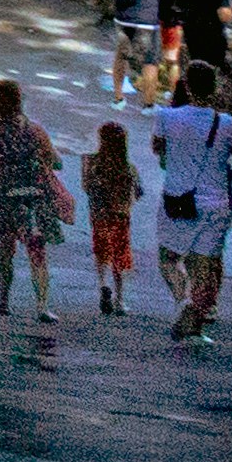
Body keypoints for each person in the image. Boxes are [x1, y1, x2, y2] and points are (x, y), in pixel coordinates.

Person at [150, 66, 232, 339]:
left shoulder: (165, 116)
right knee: (204, 268)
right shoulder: (226, 123)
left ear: (186, 85)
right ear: (214, 89)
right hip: (217, 204)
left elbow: (157, 148)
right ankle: (197, 323)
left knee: (168, 259)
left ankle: (184, 302)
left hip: (178, 200)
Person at [0, 77, 68, 319]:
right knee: (37, 252)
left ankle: (3, 302)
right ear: (19, 101)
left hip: (2, 198)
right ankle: (42, 307)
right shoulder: (35, 131)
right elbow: (57, 162)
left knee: (5, 252)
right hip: (31, 199)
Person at [83, 118, 144, 315]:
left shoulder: (91, 162)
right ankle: (119, 300)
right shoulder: (128, 167)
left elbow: (86, 187)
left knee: (101, 252)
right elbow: (139, 192)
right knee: (120, 255)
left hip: (99, 215)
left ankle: (103, 283)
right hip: (120, 216)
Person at [104, 0, 168, 100]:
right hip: (146, 19)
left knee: (121, 56)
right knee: (150, 61)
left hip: (123, 17)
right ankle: (148, 103)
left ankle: (118, 95)